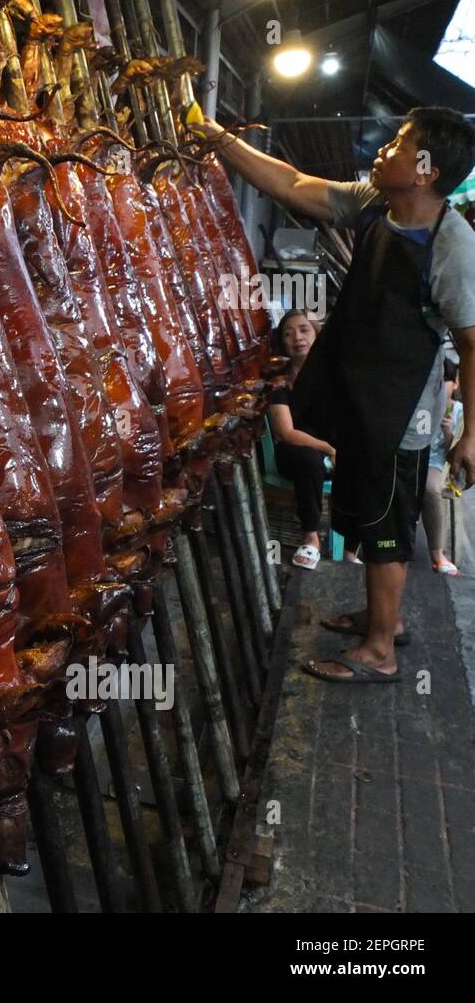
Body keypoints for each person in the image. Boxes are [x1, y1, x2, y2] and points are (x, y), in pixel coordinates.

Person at [197, 107, 475, 684]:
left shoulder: (451, 243)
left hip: (400, 414)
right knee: (365, 514)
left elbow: (474, 343)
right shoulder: (378, 203)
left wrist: (473, 433)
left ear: (425, 168)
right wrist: (218, 137)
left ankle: (380, 652)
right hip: (361, 400)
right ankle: (384, 621)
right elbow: (295, 185)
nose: (383, 149)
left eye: (398, 143)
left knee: (388, 525)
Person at [268, 309, 334, 569]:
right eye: (288, 333)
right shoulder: (278, 381)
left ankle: (354, 547)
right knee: (308, 459)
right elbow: (286, 432)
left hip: (331, 452)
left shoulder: (332, 375)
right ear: (282, 342)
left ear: (317, 334)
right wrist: (328, 448)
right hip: (294, 453)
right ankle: (311, 537)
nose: (297, 337)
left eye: (304, 330)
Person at [422, 357, 462, 575]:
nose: (440, 385)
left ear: (455, 383)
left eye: (445, 379)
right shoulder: (424, 407)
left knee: (430, 489)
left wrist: (448, 434)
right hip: (420, 457)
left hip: (441, 463)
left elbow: (456, 455)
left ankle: (437, 553)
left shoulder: (460, 412)